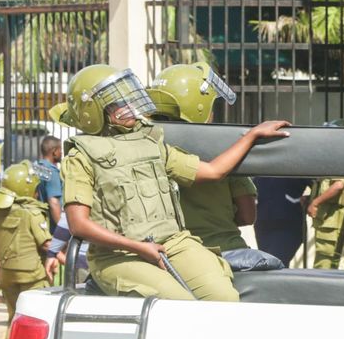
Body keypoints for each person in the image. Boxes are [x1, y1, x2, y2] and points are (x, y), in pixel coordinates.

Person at [59, 64, 290, 301]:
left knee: (224, 299)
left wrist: (252, 135)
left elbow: (211, 171)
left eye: (128, 99)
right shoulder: (81, 156)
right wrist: (139, 247)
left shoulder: (150, 143)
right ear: (93, 111)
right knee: (179, 305)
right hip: (118, 255)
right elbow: (79, 225)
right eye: (118, 103)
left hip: (173, 243)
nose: (130, 107)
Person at [147, 62, 283, 272]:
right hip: (226, 251)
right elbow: (248, 215)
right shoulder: (227, 150)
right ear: (198, 106)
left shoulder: (146, 146)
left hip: (167, 257)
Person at [0, 160, 55, 320]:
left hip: (7, 275)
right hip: (32, 277)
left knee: (13, 319)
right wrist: (66, 257)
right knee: (35, 320)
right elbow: (47, 245)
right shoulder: (31, 212)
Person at [304, 119, 344, 269]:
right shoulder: (336, 154)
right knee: (326, 263)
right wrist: (311, 198)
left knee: (324, 265)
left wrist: (315, 202)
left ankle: (319, 292)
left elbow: (338, 185)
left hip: (332, 219)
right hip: (328, 218)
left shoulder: (342, 155)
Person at [253, 177, 311, 265]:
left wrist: (312, 199)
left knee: (274, 263)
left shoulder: (298, 165)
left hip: (288, 225)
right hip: (263, 224)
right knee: (267, 265)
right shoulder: (259, 165)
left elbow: (319, 185)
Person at [35, 135, 64, 232]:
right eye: (60, 150)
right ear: (54, 151)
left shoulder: (37, 168)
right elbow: (53, 202)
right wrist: (63, 231)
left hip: (38, 225)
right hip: (51, 229)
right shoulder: (51, 171)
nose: (62, 153)